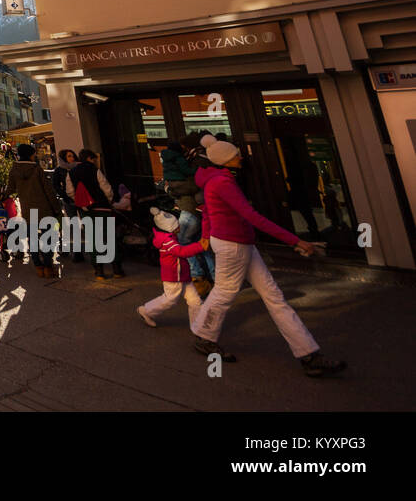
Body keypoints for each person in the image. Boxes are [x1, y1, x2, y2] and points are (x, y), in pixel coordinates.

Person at [190, 135, 344, 376]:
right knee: (226, 292)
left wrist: (208, 234)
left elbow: (209, 210)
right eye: (236, 155)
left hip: (238, 242)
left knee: (272, 295)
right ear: (226, 160)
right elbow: (252, 216)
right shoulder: (223, 182)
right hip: (234, 244)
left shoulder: (215, 180)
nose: (240, 157)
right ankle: (203, 334)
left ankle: (308, 354)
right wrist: (296, 240)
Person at [136, 207, 208, 328]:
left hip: (182, 275)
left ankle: (198, 326)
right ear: (169, 228)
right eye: (176, 226)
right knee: (170, 300)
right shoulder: (167, 241)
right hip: (173, 276)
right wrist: (200, 246)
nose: (179, 227)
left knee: (195, 301)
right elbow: (181, 252)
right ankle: (145, 310)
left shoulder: (169, 238)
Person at [162, 141, 214, 295]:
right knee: (202, 246)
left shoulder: (169, 165)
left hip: (188, 211)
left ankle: (197, 275)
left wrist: (170, 189)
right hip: (196, 211)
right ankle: (214, 275)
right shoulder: (187, 167)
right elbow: (192, 183)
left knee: (184, 244)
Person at [6, 143, 60, 277]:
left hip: (28, 210)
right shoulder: (37, 169)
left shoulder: (14, 170)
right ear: (31, 154)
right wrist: (57, 209)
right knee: (49, 238)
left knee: (33, 239)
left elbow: (10, 190)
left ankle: (38, 267)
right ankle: (48, 265)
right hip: (44, 208)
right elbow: (48, 191)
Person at [68, 149, 123, 279]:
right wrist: (108, 201)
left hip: (86, 210)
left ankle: (99, 271)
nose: (94, 161)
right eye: (93, 159)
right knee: (109, 237)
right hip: (102, 208)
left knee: (94, 239)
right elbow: (106, 188)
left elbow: (70, 192)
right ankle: (117, 269)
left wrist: (82, 204)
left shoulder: (71, 173)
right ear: (89, 158)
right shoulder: (95, 170)